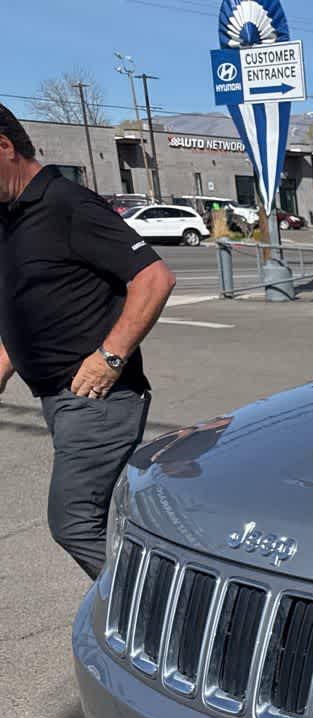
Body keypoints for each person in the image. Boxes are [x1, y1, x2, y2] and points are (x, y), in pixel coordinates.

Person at [0, 102, 176, 578]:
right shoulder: (12, 218)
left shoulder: (67, 204)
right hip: (60, 400)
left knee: (74, 522)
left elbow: (154, 278)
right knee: (112, 517)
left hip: (98, 398)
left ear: (4, 147)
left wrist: (109, 358)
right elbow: (34, 309)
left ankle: (151, 619)